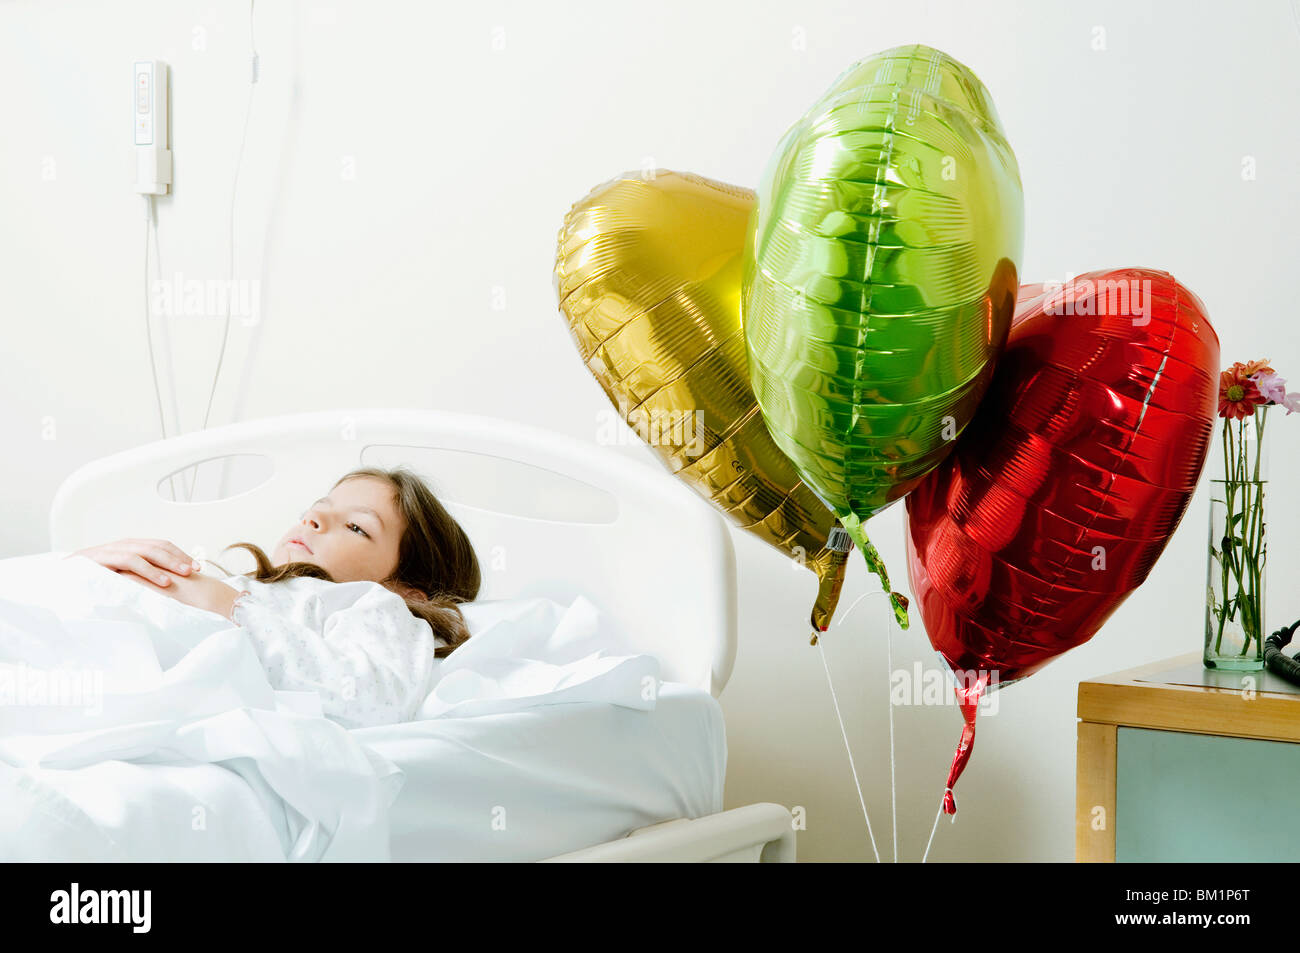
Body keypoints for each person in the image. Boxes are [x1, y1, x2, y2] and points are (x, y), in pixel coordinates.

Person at [68, 466, 481, 728]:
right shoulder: (246, 585)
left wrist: (227, 606)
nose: (313, 519)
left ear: (403, 588)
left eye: (356, 527)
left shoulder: (372, 603)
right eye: (317, 510)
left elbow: (373, 698)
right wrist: (80, 566)